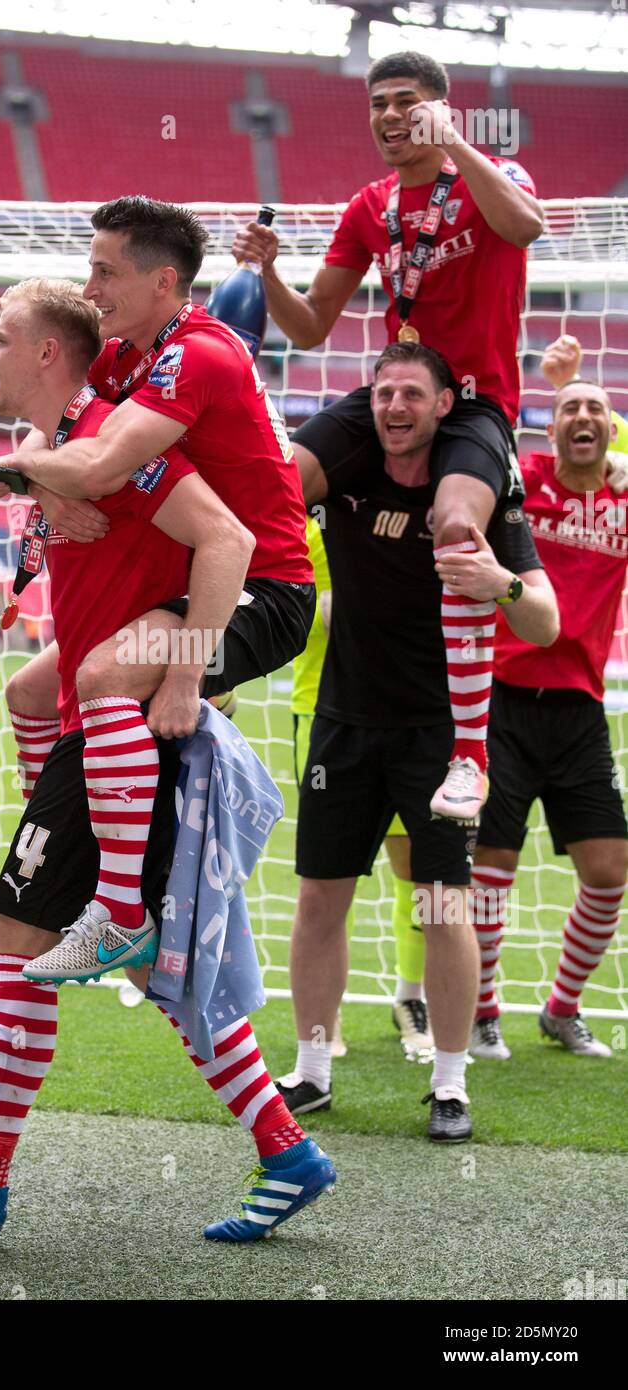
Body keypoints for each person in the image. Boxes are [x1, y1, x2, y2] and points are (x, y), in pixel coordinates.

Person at [0, 278, 335, 1243]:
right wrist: (27, 476)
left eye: (0, 338)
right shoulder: (66, 444)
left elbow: (222, 536)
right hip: (100, 743)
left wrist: (189, 670)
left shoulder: (115, 439)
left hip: (117, 737)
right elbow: (35, 678)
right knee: (162, 977)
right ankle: (287, 1152)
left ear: (45, 354)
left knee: (16, 956)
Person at [0, 195, 316, 982]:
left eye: (105, 270)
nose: (89, 284)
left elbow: (98, 464)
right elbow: (55, 428)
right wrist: (38, 479)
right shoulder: (126, 350)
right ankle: (70, 816)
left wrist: (188, 674)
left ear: (163, 281)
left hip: (258, 585)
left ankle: (121, 914)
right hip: (189, 578)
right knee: (32, 691)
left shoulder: (197, 354)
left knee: (101, 676)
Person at [231, 50, 543, 826]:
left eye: (408, 102)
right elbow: (309, 328)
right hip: (392, 396)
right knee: (271, 482)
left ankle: (468, 757)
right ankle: (218, 661)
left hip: (472, 405)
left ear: (442, 107)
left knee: (459, 531)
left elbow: (527, 227)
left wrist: (458, 146)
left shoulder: (496, 176)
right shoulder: (369, 207)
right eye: (378, 104)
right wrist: (270, 275)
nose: (390, 116)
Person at [279, 342, 558, 1141]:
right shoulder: (346, 471)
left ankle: (448, 1082)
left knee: (441, 905)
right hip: (344, 722)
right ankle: (313, 1069)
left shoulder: (477, 492)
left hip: (442, 738)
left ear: (444, 406)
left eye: (412, 394)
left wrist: (500, 584)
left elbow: (544, 621)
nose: (395, 407)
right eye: (383, 393)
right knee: (319, 900)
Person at [470, 338, 628, 1060]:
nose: (583, 416)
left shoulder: (624, 499)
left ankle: (561, 1010)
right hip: (501, 698)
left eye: (597, 407)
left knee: (608, 870)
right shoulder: (526, 481)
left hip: (579, 709)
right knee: (491, 868)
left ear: (614, 430)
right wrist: (555, 387)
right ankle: (483, 1012)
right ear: (552, 425)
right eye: (569, 408)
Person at [290, 511, 433, 1068]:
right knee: (329, 874)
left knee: (418, 866)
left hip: (407, 717)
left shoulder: (409, 504)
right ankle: (327, 1019)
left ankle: (411, 998)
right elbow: (307, 611)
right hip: (324, 711)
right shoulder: (312, 520)